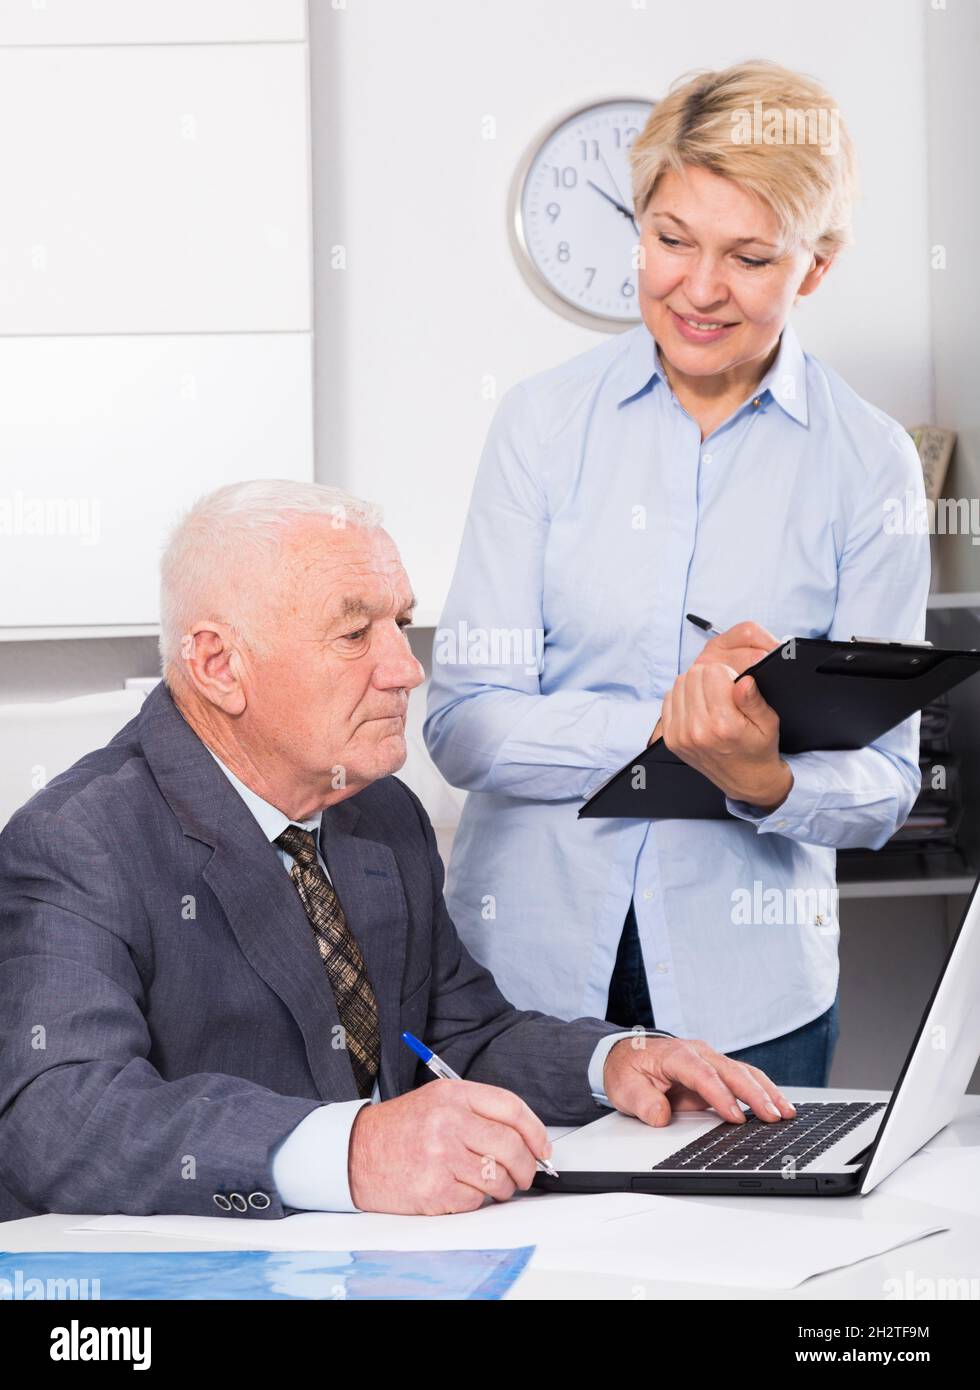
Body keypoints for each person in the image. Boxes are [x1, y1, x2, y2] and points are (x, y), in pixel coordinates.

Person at [0, 480, 795, 1222]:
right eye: (355, 634)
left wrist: (613, 1061)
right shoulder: (79, 840)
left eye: (401, 625)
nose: (409, 670)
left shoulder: (379, 811)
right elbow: (56, 1115)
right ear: (218, 666)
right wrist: (354, 1151)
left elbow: (457, 1037)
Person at [423, 60, 930, 1085]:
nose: (698, 290)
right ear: (638, 227)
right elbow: (463, 721)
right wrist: (668, 728)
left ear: (814, 267)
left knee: (738, 1250)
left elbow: (881, 783)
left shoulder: (868, 463)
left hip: (752, 1002)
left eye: (748, 257)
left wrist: (765, 778)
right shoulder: (539, 424)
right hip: (521, 988)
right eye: (669, 241)